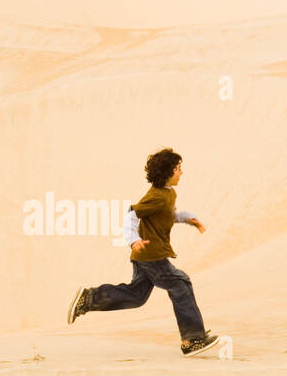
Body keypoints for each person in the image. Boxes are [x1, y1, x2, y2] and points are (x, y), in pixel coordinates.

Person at [68, 149, 220, 356]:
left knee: (136, 296)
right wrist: (133, 240)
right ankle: (192, 339)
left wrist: (187, 218)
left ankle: (89, 299)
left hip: (145, 256)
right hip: (152, 255)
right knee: (180, 283)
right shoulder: (157, 196)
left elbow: (167, 215)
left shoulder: (167, 193)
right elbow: (132, 212)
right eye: (178, 169)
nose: (181, 173)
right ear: (167, 172)